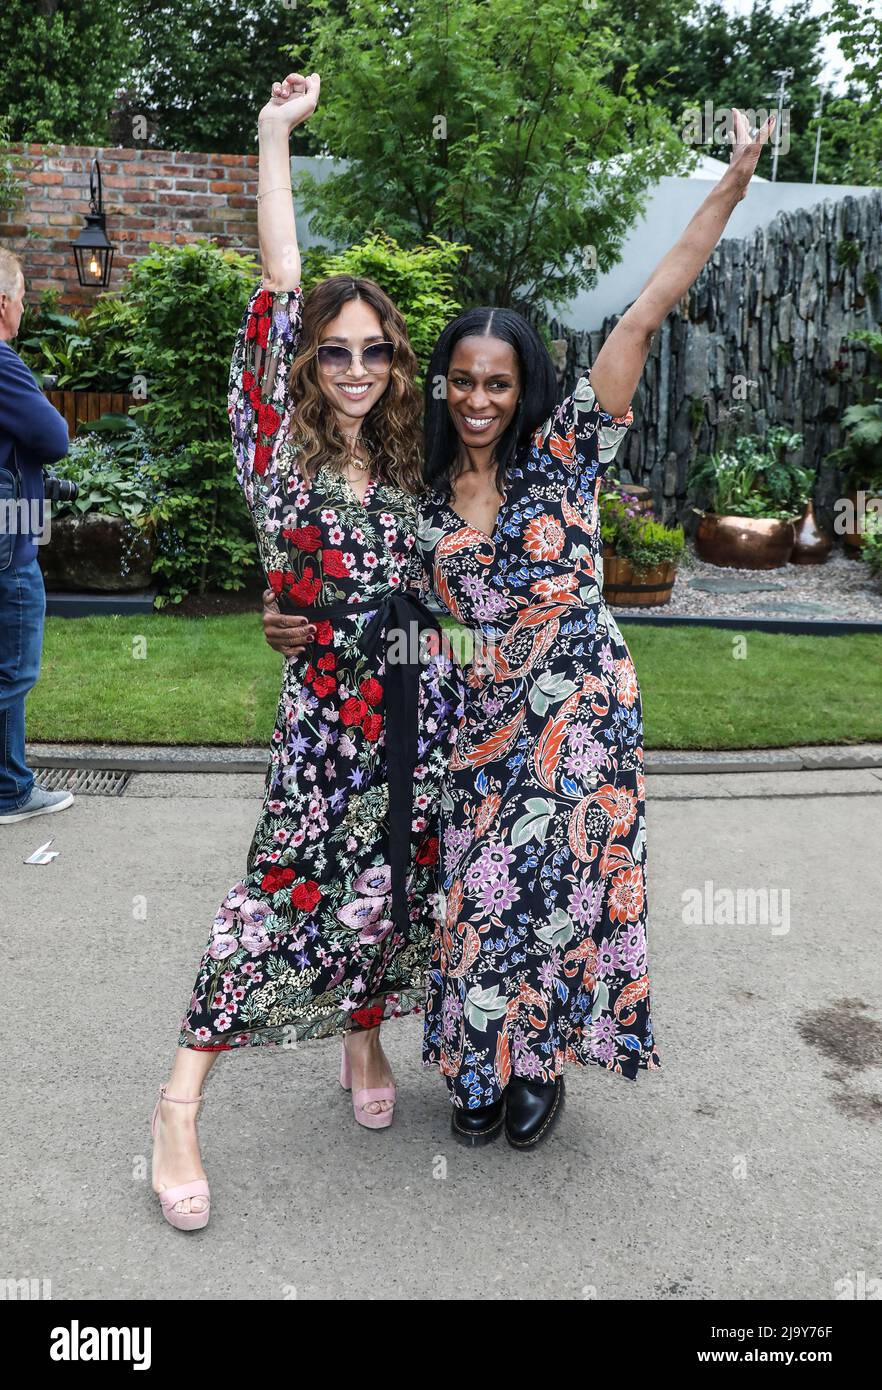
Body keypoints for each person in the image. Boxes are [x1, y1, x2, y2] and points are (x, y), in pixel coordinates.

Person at [416, 107, 774, 1148]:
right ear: (446, 384)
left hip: (582, 705)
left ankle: (540, 1063)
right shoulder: (425, 488)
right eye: (465, 379)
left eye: (499, 381)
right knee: (478, 889)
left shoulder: (565, 453)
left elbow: (646, 311)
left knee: (564, 889)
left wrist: (734, 179)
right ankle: (474, 1060)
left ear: (523, 389)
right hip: (478, 715)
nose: (480, 396)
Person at [150, 74, 462, 1231]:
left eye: (374, 350)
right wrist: (274, 133)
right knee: (278, 896)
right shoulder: (275, 451)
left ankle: (363, 1042)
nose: (356, 367)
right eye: (335, 352)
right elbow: (282, 279)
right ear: (303, 363)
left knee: (392, 886)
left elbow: (447, 584)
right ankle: (179, 1105)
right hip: (324, 733)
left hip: (414, 719)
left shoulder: (408, 468)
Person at [0, 248, 74, 825]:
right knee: (13, 669)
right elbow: (53, 437)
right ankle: (10, 791)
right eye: (22, 294)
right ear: (4, 302)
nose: (24, 306)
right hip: (10, 545)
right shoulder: (2, 362)